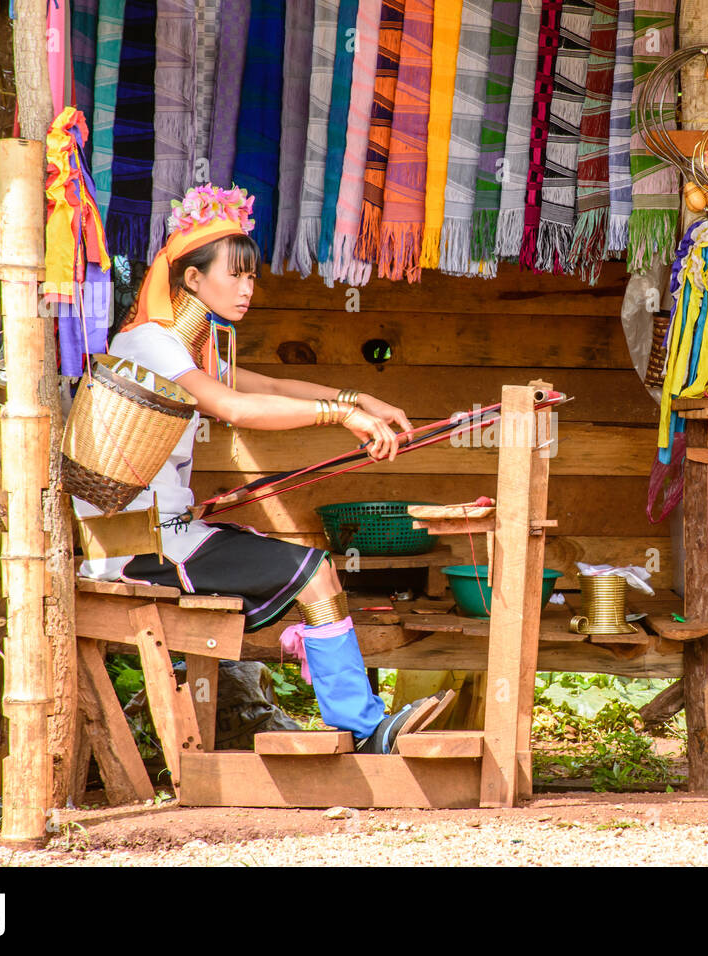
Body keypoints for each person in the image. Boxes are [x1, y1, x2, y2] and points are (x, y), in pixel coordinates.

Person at [72, 184, 452, 754]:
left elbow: (267, 385)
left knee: (308, 571)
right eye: (236, 276)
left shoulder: (188, 347)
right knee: (317, 572)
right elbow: (233, 407)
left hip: (165, 538)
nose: (248, 289)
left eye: (252, 277)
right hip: (140, 552)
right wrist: (339, 415)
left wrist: (359, 399)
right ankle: (366, 729)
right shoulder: (149, 344)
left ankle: (358, 720)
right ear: (193, 279)